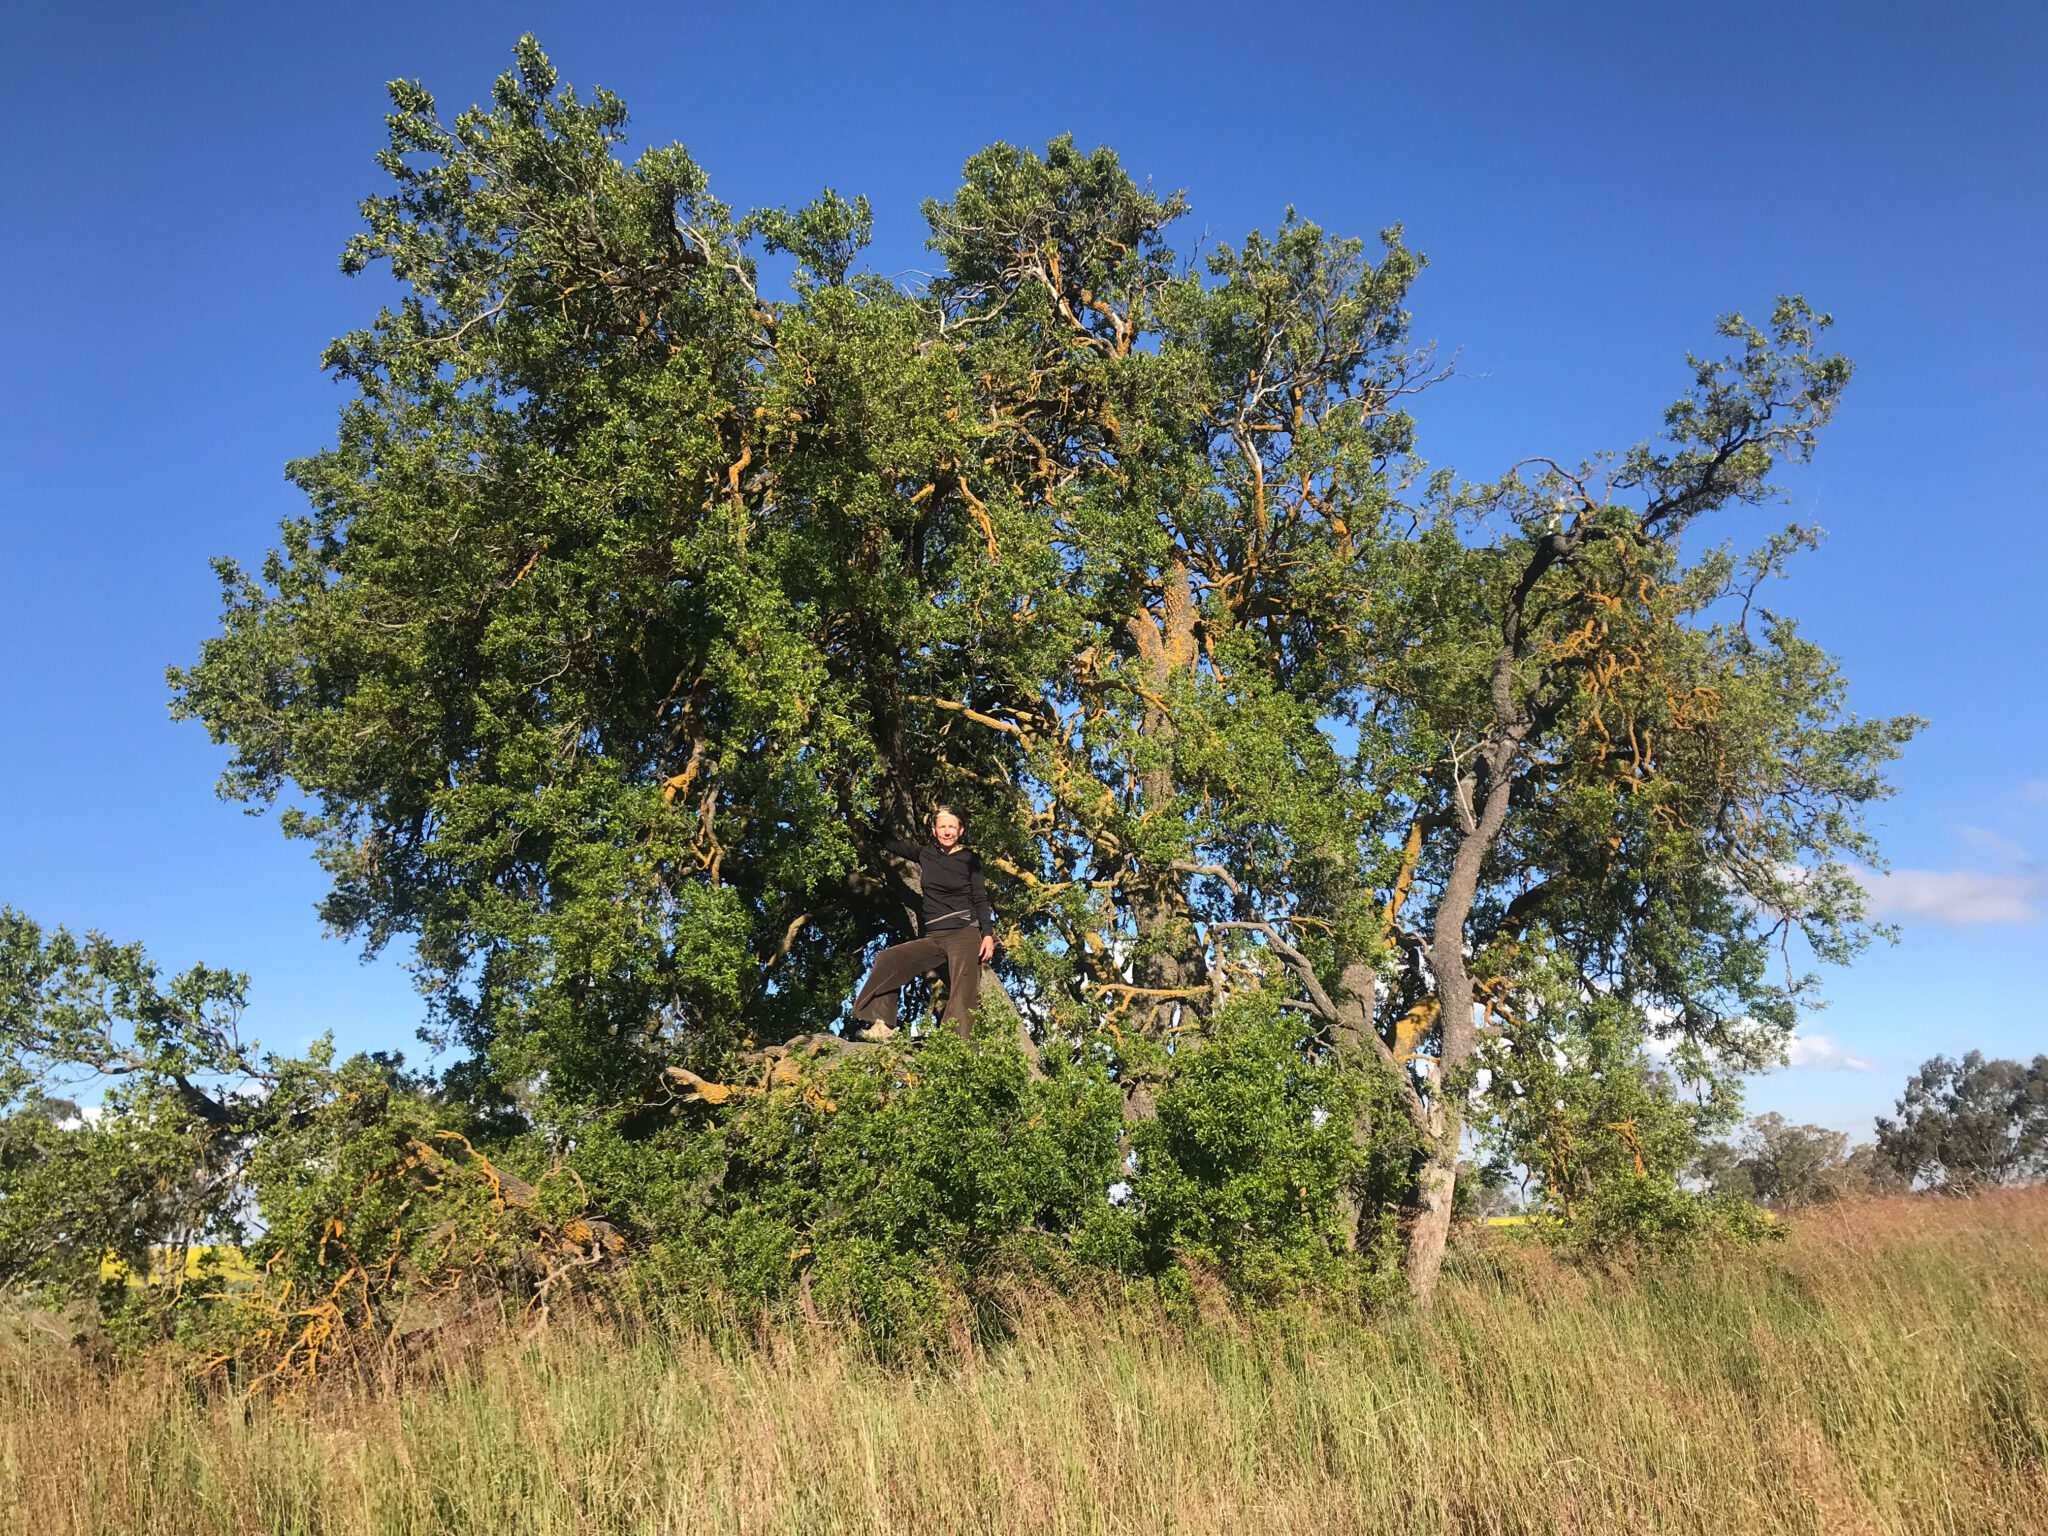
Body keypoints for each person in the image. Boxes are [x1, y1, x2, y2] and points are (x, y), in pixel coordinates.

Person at [850, 805, 996, 1041]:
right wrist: (858, 820)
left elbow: (980, 897)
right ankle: (883, 1025)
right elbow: (890, 844)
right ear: (934, 830)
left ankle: (957, 1048)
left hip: (964, 932)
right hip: (934, 936)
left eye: (952, 827)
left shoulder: (970, 859)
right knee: (888, 960)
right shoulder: (925, 854)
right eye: (942, 827)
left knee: (963, 990)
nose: (947, 832)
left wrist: (987, 934)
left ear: (960, 830)